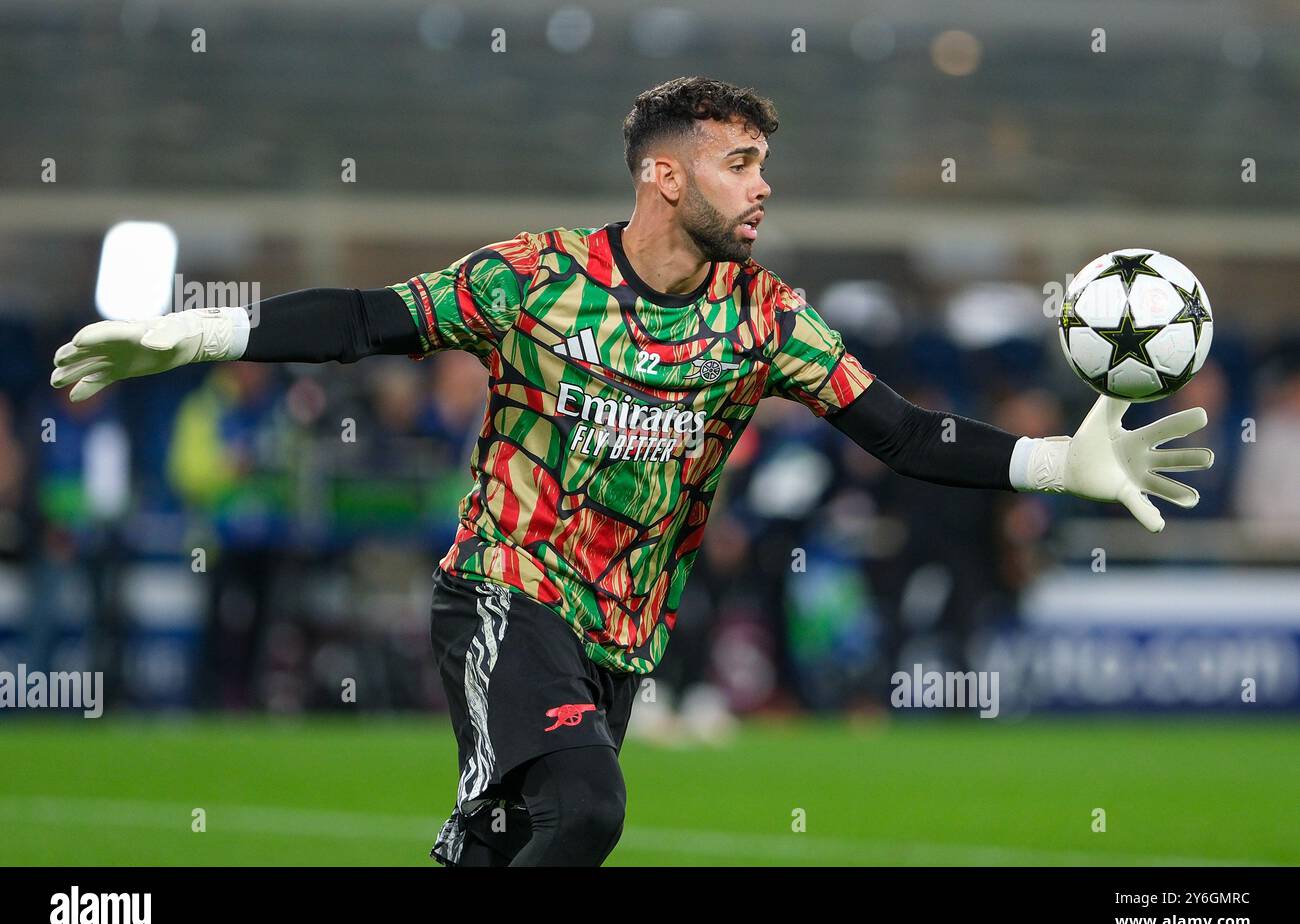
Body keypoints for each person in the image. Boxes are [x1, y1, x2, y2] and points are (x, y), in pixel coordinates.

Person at [48, 76, 1213, 866]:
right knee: (591, 804)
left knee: (549, 827)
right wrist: (191, 333)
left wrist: (1060, 459)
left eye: (765, 165)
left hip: (623, 631)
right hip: (504, 588)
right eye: (741, 163)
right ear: (666, 177)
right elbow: (364, 317)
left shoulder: (768, 320)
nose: (763, 187)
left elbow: (902, 434)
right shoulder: (534, 279)